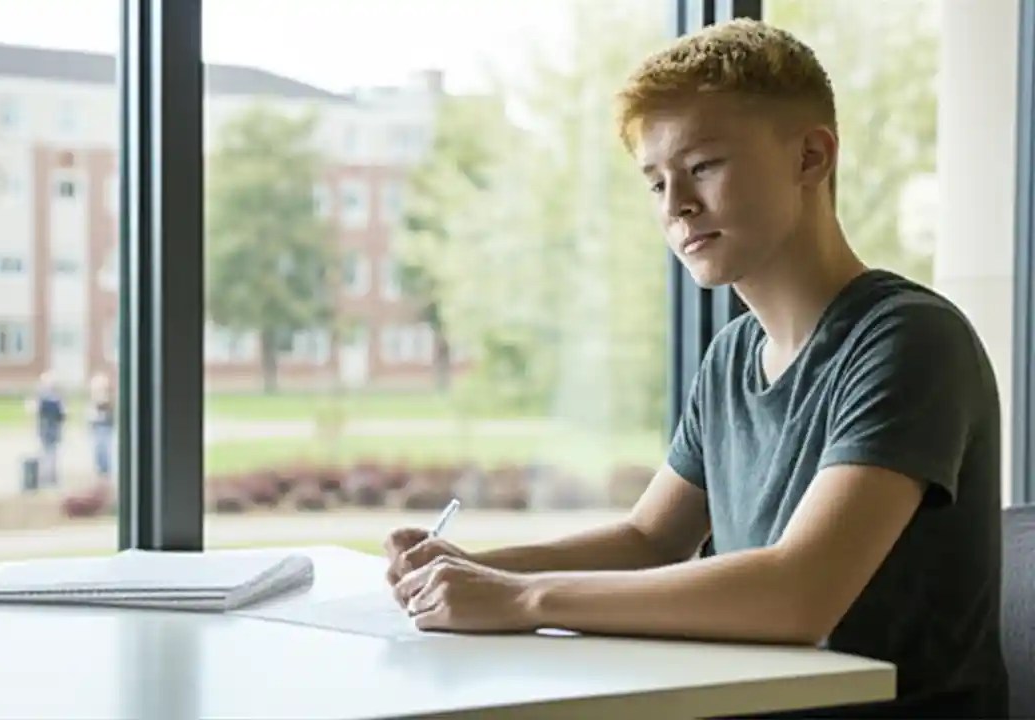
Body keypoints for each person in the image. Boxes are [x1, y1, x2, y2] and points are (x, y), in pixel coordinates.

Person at [382, 18, 1008, 719]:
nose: (677, 205)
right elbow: (650, 540)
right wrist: (471, 569)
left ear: (811, 157)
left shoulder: (910, 341)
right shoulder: (732, 355)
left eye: (704, 166)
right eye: (656, 183)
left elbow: (798, 593)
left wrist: (523, 599)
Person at [31, 371, 66, 488]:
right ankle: (48, 477)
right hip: (47, 429)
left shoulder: (48, 398)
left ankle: (48, 477)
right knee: (48, 453)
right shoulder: (52, 397)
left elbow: (60, 415)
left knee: (49, 453)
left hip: (50, 429)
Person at [87, 372, 115, 487]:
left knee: (104, 451)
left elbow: (107, 412)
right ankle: (101, 474)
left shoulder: (107, 399)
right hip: (97, 427)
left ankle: (105, 474)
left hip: (104, 427)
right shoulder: (93, 400)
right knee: (98, 451)